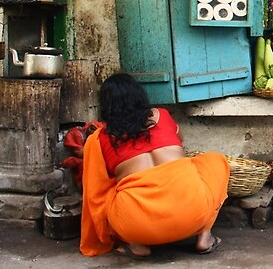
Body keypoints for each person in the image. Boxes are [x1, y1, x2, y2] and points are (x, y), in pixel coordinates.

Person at [80, 73, 230, 259]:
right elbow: (180, 139)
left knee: (108, 188)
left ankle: (136, 244)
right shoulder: (162, 115)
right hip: (193, 213)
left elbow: (95, 193)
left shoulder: (98, 139)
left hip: (136, 225)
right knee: (214, 161)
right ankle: (204, 235)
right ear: (140, 97)